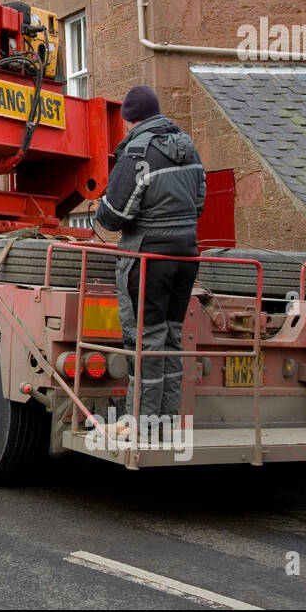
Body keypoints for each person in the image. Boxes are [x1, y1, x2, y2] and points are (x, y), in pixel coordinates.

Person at [94, 86, 206, 432]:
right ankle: (165, 420)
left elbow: (113, 215)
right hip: (187, 254)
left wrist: (102, 203)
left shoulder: (137, 151)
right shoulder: (188, 149)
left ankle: (138, 421)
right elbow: (199, 203)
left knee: (146, 338)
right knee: (171, 337)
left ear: (131, 120)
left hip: (149, 258)